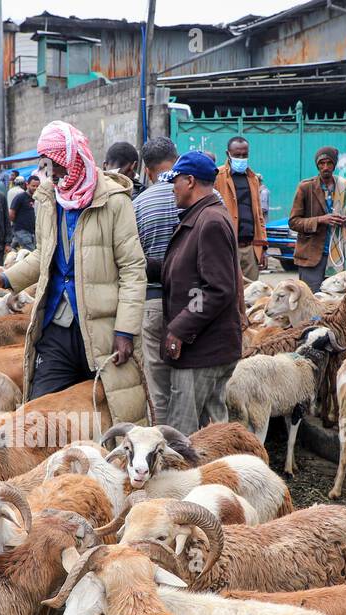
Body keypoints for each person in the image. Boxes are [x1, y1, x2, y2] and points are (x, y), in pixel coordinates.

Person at [0, 120, 147, 426]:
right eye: (46, 164)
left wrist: (125, 330)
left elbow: (133, 270)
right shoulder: (48, 199)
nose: (51, 172)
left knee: (108, 417)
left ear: (73, 158)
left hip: (101, 330)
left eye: (55, 163)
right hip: (56, 325)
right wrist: (5, 278)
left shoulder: (113, 201)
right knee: (42, 415)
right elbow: (44, 256)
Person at [155, 150, 244, 436]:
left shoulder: (210, 222)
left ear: (190, 181)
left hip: (202, 352)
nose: (173, 188)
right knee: (215, 434)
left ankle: (188, 482)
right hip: (209, 348)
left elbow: (218, 288)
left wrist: (178, 330)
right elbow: (188, 270)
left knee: (183, 436)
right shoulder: (201, 217)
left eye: (176, 182)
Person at [131, 136, 181, 423]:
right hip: (193, 304)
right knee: (187, 384)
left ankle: (161, 442)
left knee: (157, 387)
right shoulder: (201, 195)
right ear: (176, 158)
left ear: (147, 170)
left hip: (152, 303)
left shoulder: (139, 204)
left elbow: (133, 260)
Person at [288, 145, 346, 293]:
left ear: (334, 165)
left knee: (336, 301)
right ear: (317, 165)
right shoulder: (306, 187)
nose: (325, 167)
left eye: (329, 163)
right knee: (312, 300)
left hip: (338, 256)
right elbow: (293, 222)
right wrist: (320, 220)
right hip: (312, 256)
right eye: (321, 164)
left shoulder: (345, 188)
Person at [214, 136, 268, 282]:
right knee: (230, 292)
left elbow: (259, 216)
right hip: (228, 247)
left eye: (245, 155)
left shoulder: (253, 178)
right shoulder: (217, 177)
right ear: (228, 154)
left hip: (251, 248)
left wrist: (262, 247)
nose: (241, 158)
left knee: (251, 295)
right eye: (237, 155)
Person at [10, 173, 39, 250]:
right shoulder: (20, 197)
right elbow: (11, 214)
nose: (35, 188)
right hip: (21, 231)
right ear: (27, 185)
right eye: (33, 186)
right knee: (32, 252)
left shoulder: (38, 199)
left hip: (32, 232)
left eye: (37, 186)